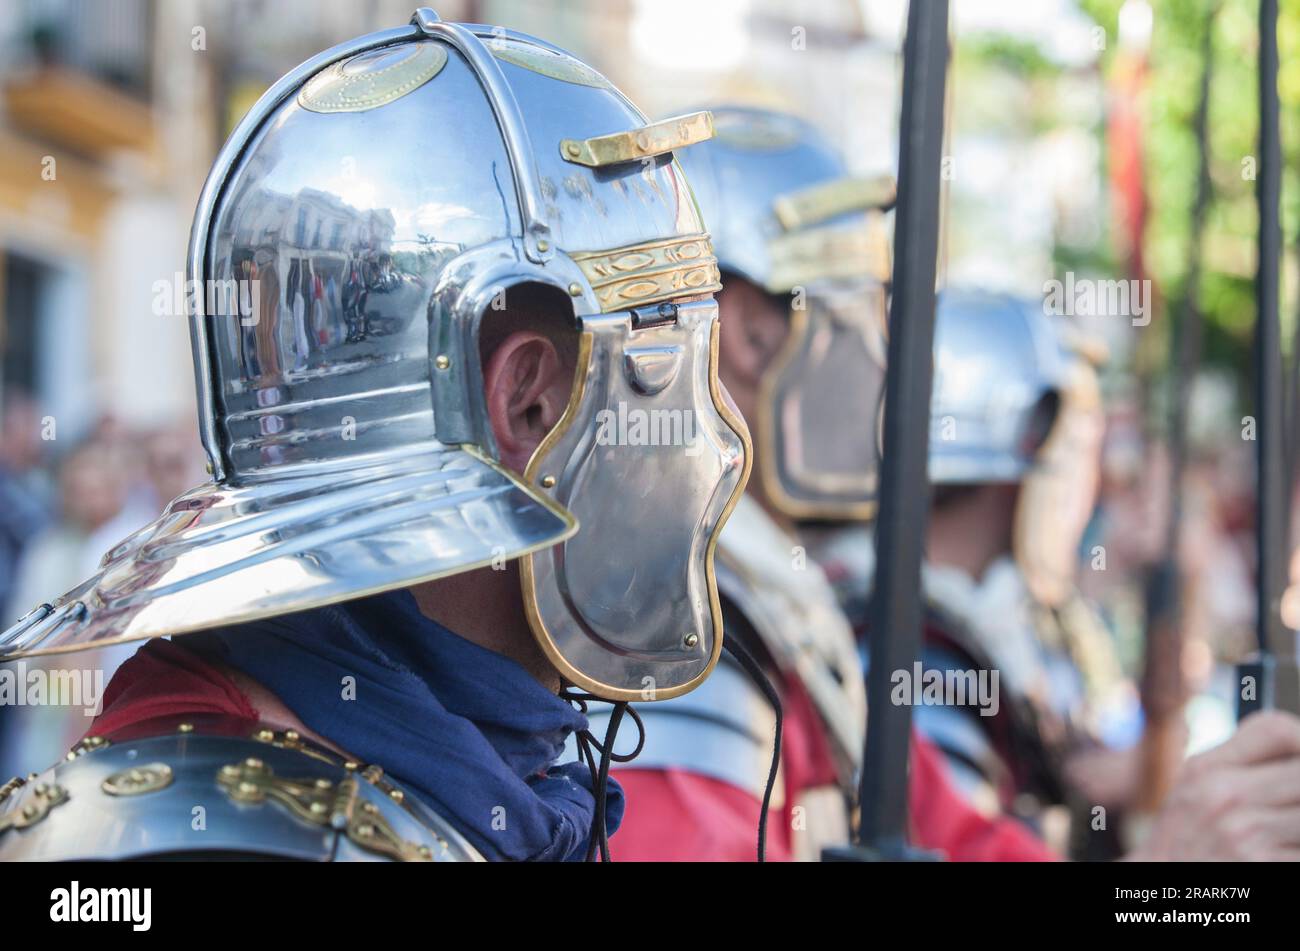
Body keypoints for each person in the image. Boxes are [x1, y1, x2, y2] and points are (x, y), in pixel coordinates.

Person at [0, 9, 748, 863]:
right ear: (528, 403)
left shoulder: (504, 774)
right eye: (667, 370)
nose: (728, 437)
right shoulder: (206, 828)